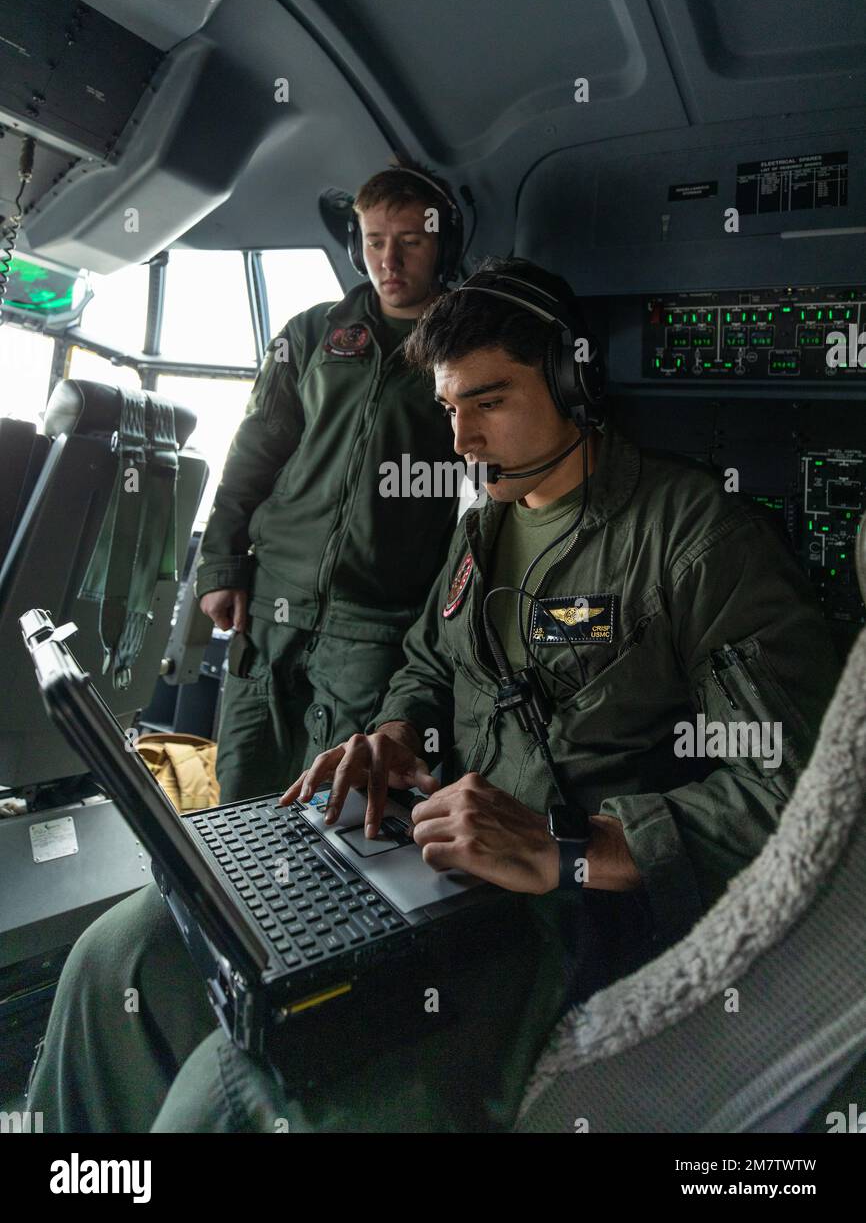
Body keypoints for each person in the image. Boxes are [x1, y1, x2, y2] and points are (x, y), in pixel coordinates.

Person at [26, 258, 839, 1133]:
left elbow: (792, 788)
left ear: (573, 381)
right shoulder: (481, 529)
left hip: (572, 906)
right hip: (445, 860)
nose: (461, 441)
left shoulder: (695, 539)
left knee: (236, 1094)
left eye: (488, 403)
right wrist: (397, 732)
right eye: (452, 409)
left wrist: (569, 844)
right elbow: (426, 662)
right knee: (118, 957)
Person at [195, 160, 465, 802]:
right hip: (272, 601)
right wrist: (222, 563)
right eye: (374, 241)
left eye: (411, 242)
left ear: (442, 246)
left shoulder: (465, 345)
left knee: (329, 807)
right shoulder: (313, 332)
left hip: (375, 620)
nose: (389, 261)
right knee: (237, 794)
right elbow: (254, 450)